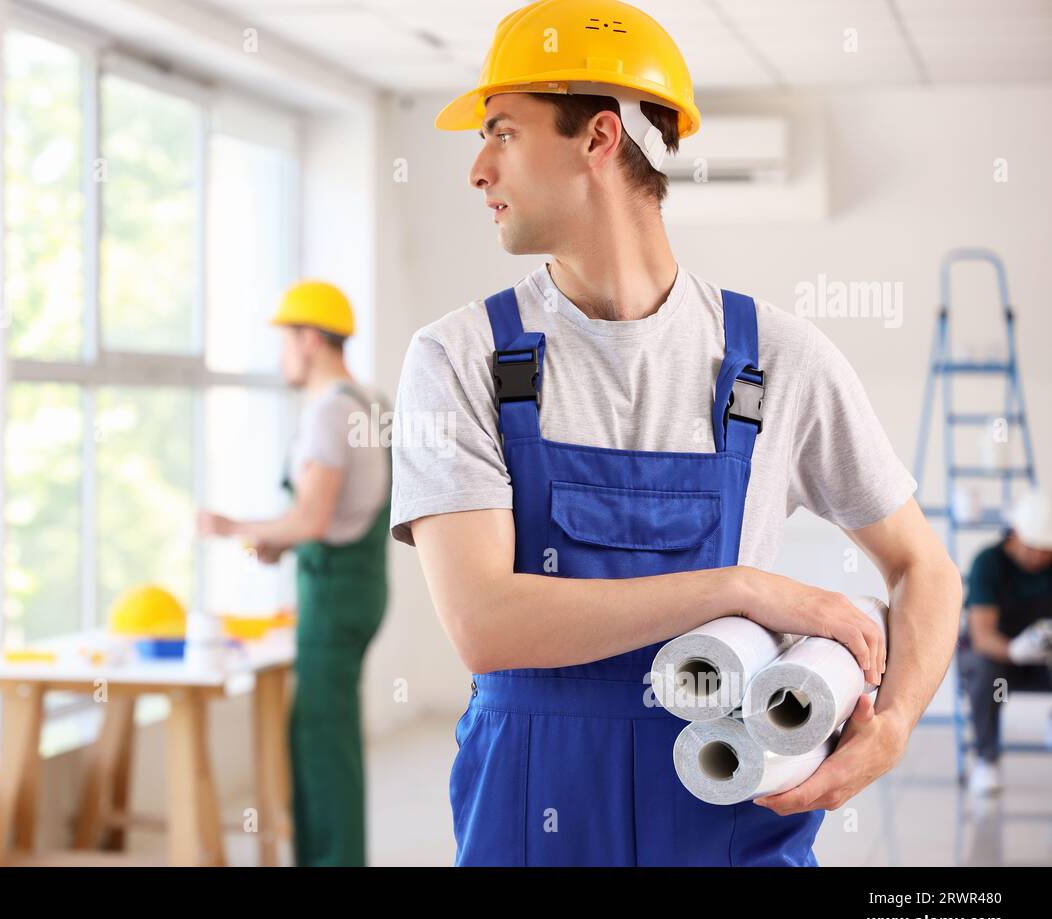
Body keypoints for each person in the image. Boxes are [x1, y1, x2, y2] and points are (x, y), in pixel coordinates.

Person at [389, 0, 961, 866]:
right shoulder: (459, 358)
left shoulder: (778, 361)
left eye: (502, 131)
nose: (477, 167)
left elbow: (926, 568)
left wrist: (897, 723)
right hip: (534, 810)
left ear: (599, 138)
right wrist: (740, 589)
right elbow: (485, 621)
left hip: (730, 802)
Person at [196, 279, 391, 866]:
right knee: (329, 736)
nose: (281, 356)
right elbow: (344, 511)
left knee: (319, 744)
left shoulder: (329, 414)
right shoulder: (372, 403)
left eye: (285, 341)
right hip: (363, 586)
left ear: (309, 340)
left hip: (332, 598)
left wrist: (234, 528)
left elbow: (310, 517)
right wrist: (280, 544)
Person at [959, 488, 1052, 796]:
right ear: (1015, 533)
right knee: (987, 672)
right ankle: (987, 760)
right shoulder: (989, 563)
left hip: (1043, 659)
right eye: (1034, 547)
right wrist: (1015, 650)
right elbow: (982, 635)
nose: (1040, 555)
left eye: (1047, 550)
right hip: (996, 657)